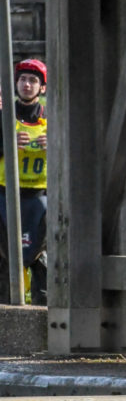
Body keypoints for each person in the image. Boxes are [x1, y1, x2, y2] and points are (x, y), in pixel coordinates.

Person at [0, 58, 49, 305]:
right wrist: (5, 145)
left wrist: (55, 146)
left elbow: (76, 153)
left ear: (42, 88)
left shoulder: (52, 119)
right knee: (5, 258)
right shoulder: (3, 116)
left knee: (41, 258)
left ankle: (45, 316)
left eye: (32, 80)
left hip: (40, 196)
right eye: (22, 79)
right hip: (6, 195)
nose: (26, 84)